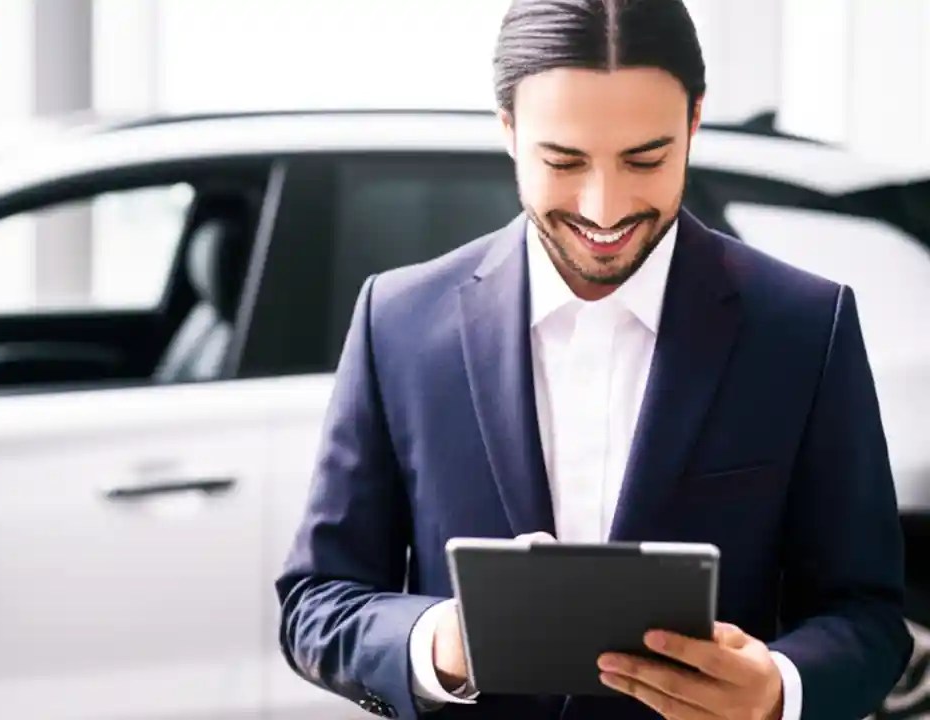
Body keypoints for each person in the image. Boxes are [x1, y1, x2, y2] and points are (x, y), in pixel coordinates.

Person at [274, 0, 913, 718]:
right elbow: (316, 602)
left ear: (694, 122)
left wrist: (779, 690)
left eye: (646, 159)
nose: (604, 208)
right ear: (510, 130)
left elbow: (869, 616)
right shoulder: (398, 321)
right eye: (564, 161)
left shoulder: (804, 327)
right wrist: (439, 642)